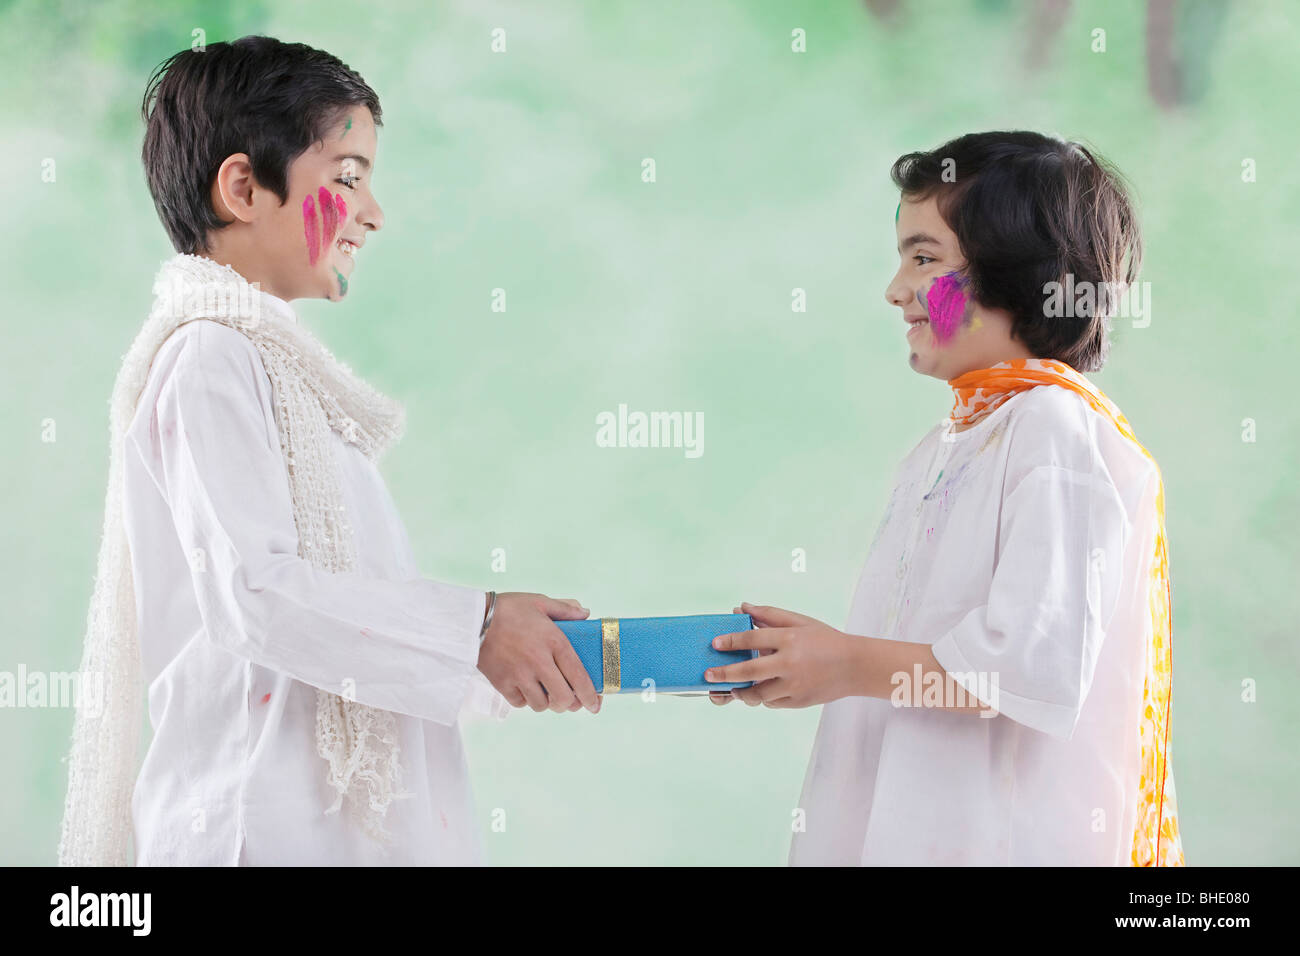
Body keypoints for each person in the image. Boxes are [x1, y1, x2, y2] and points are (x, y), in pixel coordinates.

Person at [58, 35, 598, 867]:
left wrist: (491, 642)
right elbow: (256, 595)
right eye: (348, 176)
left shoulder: (285, 376)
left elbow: (340, 608)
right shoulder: (211, 357)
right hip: (256, 826)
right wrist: (477, 628)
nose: (374, 212)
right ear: (242, 186)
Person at [707, 131, 1184, 866]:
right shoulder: (952, 441)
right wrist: (819, 656)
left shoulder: (1055, 429)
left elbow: (1033, 665)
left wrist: (844, 665)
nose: (895, 289)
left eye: (924, 258)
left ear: (1019, 273)